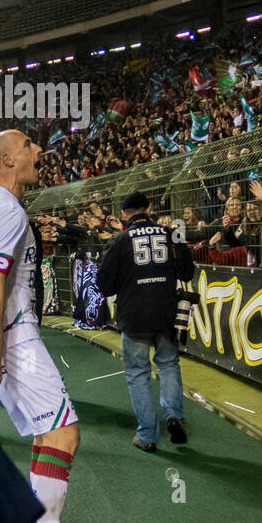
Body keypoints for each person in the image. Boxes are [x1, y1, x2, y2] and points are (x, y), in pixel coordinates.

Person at [0, 129, 101, 523]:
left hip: (8, 332)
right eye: (27, 145)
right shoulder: (6, 209)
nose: (37, 150)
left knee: (49, 436)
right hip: (12, 335)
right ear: (7, 159)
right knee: (63, 433)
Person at [97, 191, 194, 452]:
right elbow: (187, 271)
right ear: (148, 208)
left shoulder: (119, 240)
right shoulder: (169, 234)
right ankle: (174, 416)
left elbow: (104, 285)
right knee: (169, 364)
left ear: (124, 215)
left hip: (134, 315)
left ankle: (147, 435)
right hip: (166, 313)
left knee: (138, 374)